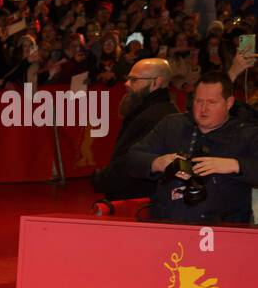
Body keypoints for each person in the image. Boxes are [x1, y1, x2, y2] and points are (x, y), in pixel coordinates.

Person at [126, 71, 258, 223]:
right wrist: (158, 163)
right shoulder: (172, 125)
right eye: (199, 101)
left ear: (229, 103)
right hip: (168, 224)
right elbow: (132, 158)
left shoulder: (246, 133)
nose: (204, 109)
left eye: (212, 102)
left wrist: (236, 165)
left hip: (224, 230)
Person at [92, 58, 178, 202]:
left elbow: (130, 161)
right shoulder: (152, 110)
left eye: (134, 80)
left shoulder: (154, 116)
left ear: (156, 82)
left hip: (135, 202)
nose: (126, 84)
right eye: (128, 79)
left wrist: (100, 179)